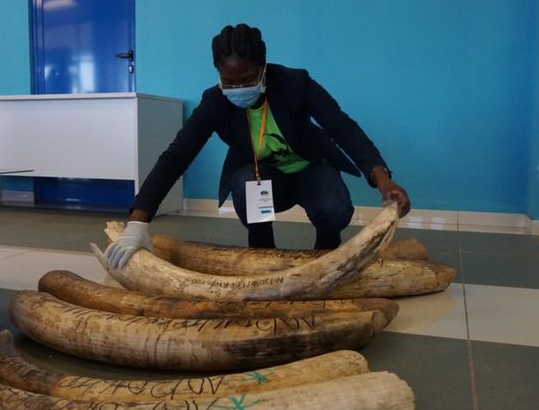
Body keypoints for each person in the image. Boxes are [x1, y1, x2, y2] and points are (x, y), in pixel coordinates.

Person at [105, 23, 410, 269]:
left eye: (248, 79)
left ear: (264, 68)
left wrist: (382, 180)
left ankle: (325, 253)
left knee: (334, 209)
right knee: (248, 185)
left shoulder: (295, 83)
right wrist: (138, 223)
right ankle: (262, 253)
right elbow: (177, 155)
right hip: (259, 175)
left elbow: (343, 128)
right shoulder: (214, 101)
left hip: (309, 168)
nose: (238, 88)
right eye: (229, 81)